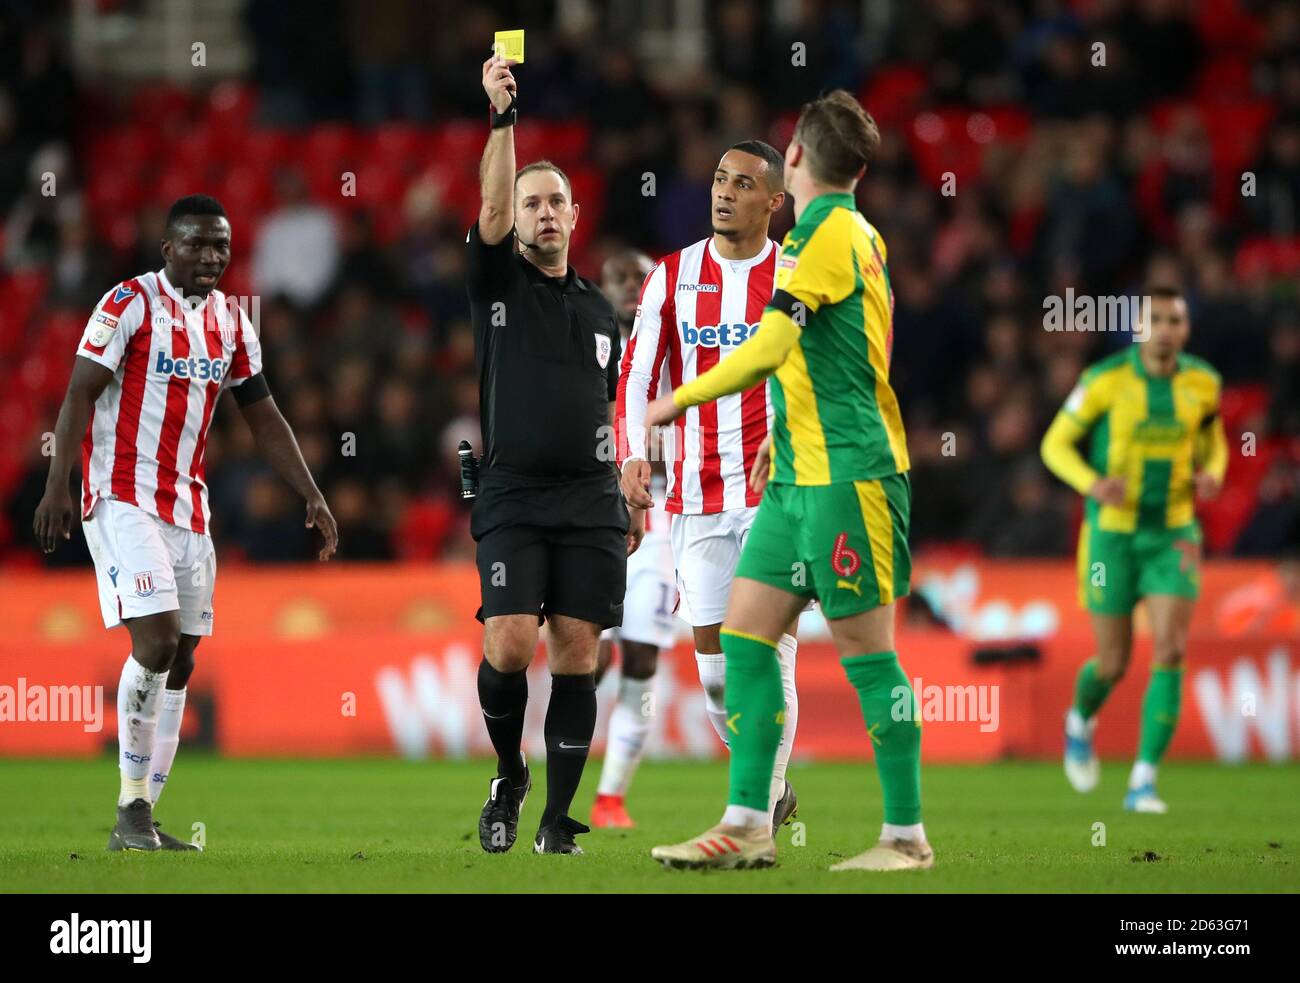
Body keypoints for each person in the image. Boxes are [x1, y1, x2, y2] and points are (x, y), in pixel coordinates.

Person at [645, 91, 931, 872]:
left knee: (869, 656)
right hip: (797, 473)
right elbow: (844, 349)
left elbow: (774, 345)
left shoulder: (823, 236)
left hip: (849, 476)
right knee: (743, 639)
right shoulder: (858, 235)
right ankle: (748, 822)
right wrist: (784, 427)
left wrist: (681, 395)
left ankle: (906, 836)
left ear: (795, 159)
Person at [32, 193, 338, 852]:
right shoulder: (127, 304)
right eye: (197, 244)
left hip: (188, 507)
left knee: (184, 657)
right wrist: (58, 483)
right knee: (159, 640)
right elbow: (80, 388)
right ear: (168, 248)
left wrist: (310, 492)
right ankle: (130, 808)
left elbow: (263, 415)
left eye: (221, 245)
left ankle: (141, 815)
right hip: (121, 495)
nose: (211, 256)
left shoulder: (233, 320)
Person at [468, 54, 633, 856]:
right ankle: (509, 772)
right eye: (530, 202)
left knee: (578, 651)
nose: (540, 213)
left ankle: (558, 821)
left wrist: (631, 485)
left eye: (553, 202)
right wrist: (503, 118)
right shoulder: (498, 283)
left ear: (574, 215)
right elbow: (492, 203)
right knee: (509, 642)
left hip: (590, 498)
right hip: (511, 491)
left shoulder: (604, 309)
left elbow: (618, 405)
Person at [617, 140, 801, 834]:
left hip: (777, 495)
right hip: (694, 498)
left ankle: (754, 808)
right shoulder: (672, 275)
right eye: (720, 179)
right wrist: (633, 456)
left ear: (773, 202)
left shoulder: (793, 273)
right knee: (720, 675)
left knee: (764, 650)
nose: (724, 192)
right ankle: (770, 791)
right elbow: (637, 376)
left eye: (744, 183)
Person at [1041, 285, 1228, 813]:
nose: (1167, 328)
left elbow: (1215, 441)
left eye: (1176, 319)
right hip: (1112, 537)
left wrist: (1213, 472)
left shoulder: (1204, 383)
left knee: (1170, 649)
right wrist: (1091, 483)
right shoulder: (1104, 381)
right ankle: (1080, 720)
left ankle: (1143, 781)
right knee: (1112, 662)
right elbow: (1054, 444)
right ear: (1139, 328)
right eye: (1158, 319)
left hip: (1173, 533)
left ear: (1186, 329)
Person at [589, 248, 675, 829]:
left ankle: (612, 795)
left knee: (640, 655)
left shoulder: (678, 345)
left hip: (663, 510)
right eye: (616, 278)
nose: (628, 287)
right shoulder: (584, 345)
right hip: (592, 504)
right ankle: (543, 764)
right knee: (587, 652)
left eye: (639, 277)